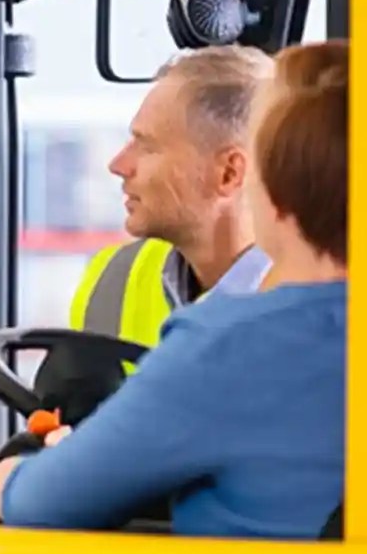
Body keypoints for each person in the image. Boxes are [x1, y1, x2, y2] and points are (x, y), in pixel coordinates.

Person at [0, 39, 348, 540]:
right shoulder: (121, 279)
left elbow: (49, 500)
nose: (118, 164)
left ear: (244, 177)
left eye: (145, 144)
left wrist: (13, 480)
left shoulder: (231, 345)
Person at [71, 45, 274, 346]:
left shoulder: (332, 312)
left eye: (147, 146)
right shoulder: (111, 282)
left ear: (229, 173)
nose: (118, 165)